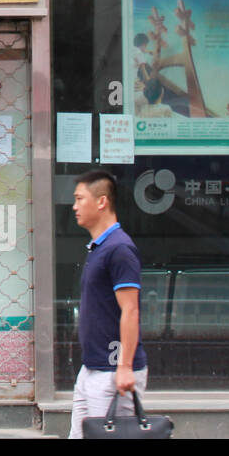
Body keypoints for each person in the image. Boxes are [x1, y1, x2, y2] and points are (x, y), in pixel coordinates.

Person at [69, 168, 148, 439]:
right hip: (92, 367)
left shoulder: (119, 249)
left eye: (80, 199)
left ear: (101, 201)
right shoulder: (100, 247)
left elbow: (131, 309)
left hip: (113, 371)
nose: (74, 206)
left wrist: (124, 367)